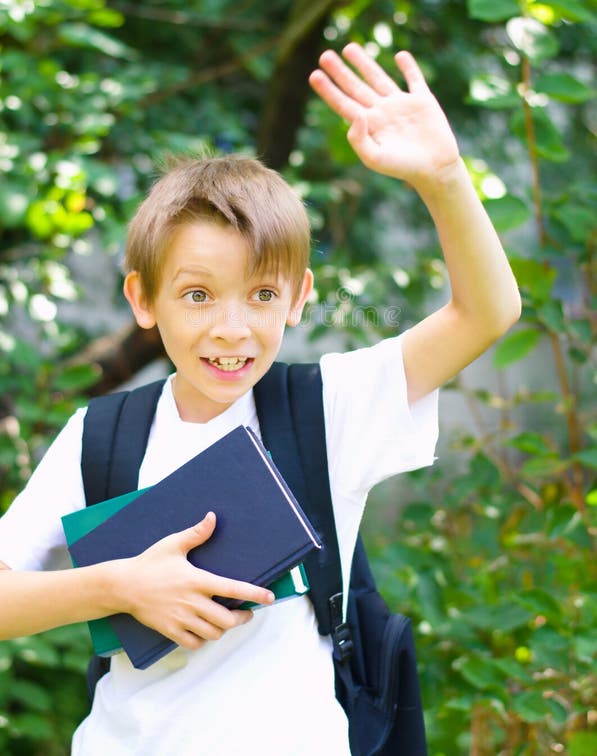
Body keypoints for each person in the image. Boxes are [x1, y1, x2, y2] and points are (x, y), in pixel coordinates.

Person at [0, 44, 521, 755]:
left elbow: (485, 313)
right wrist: (121, 587)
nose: (231, 328)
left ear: (300, 298)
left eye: (263, 294)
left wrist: (444, 177)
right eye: (196, 294)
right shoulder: (101, 432)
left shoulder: (328, 409)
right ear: (142, 299)